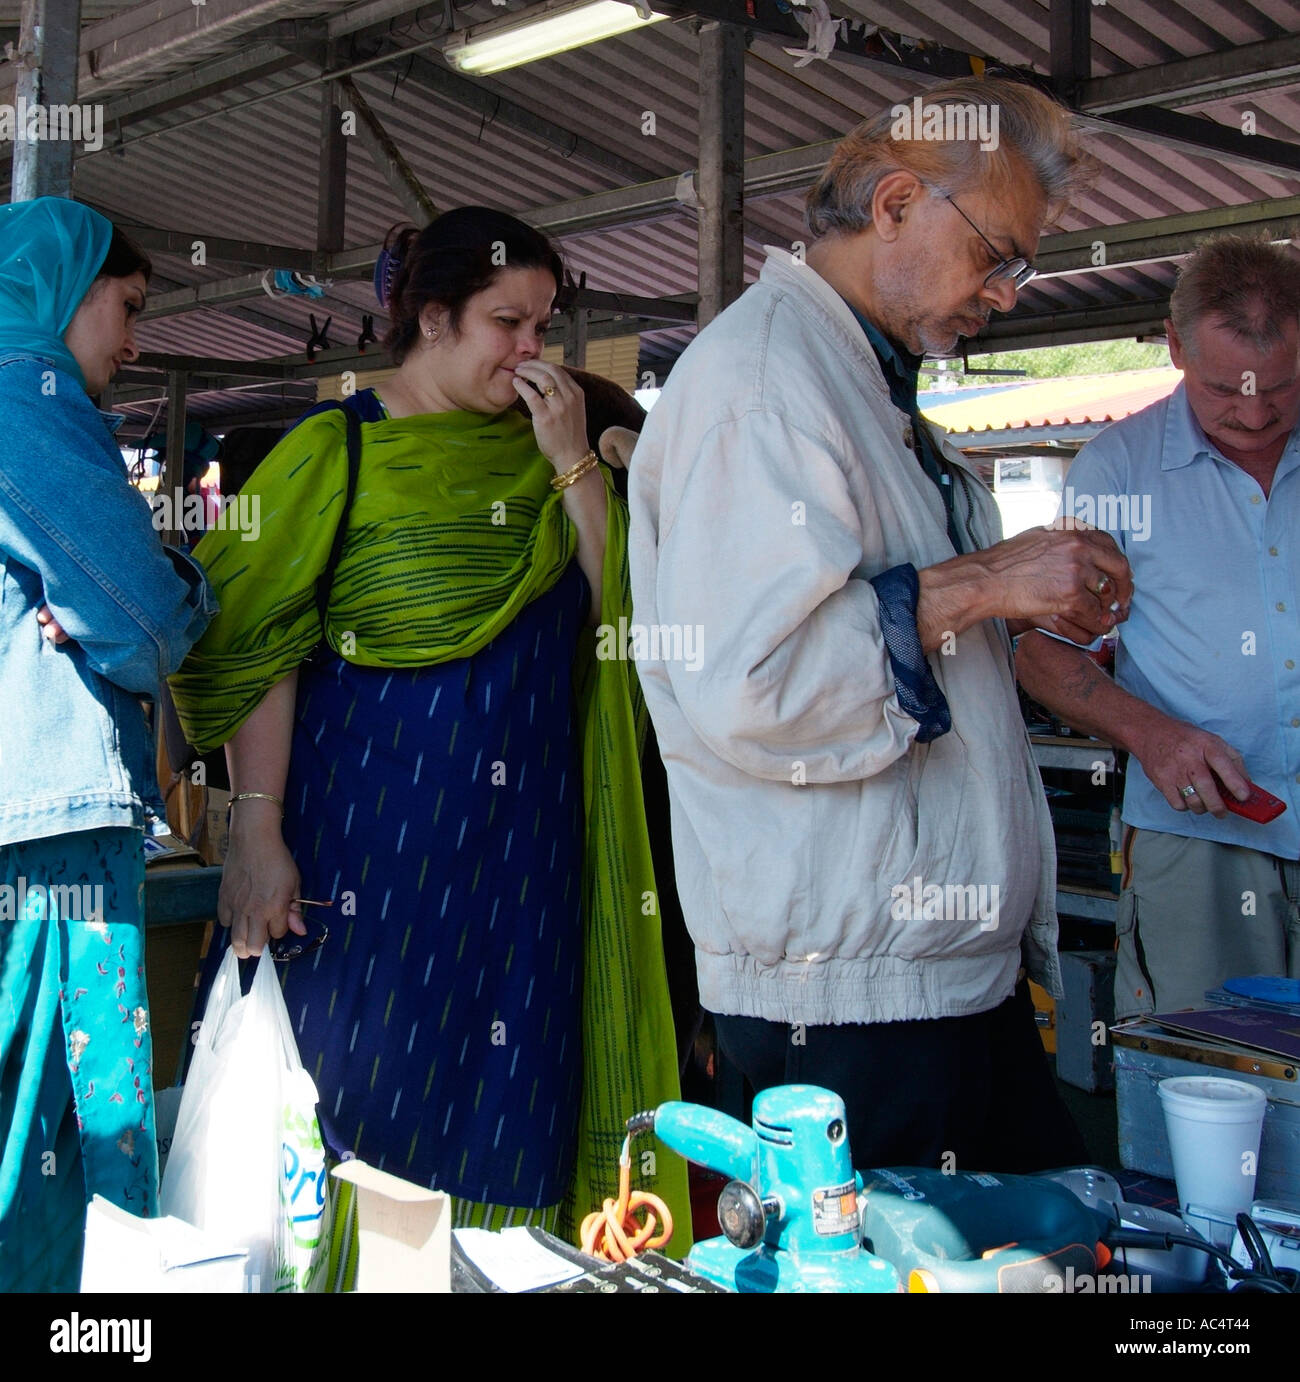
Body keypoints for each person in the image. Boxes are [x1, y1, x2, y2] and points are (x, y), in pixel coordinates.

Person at [627, 77, 1133, 1172]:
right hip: (849, 989)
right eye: (998, 254)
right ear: (897, 204)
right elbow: (752, 684)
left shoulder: (867, 382)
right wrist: (984, 581)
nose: (1005, 293)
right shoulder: (762, 384)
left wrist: (1014, 599)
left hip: (932, 969)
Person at [169, 208, 688, 1256]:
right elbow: (246, 642)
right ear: (434, 318)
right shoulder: (337, 451)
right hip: (366, 865)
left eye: (544, 326)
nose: (532, 350)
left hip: (530, 869)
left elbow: (617, 619)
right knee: (359, 1120)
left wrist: (573, 466)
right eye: (509, 322)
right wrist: (256, 828)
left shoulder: (553, 453)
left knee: (511, 1116)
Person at [0, 197, 215, 1291]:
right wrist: (177, 582)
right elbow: (138, 618)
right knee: (72, 1141)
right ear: (60, 286)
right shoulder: (21, 388)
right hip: (43, 837)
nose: (135, 344)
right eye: (126, 306)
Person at [1016, 234, 1300, 1017]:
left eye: (1279, 387)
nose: (1251, 412)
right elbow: (1044, 651)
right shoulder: (1117, 470)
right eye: (1221, 388)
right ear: (1173, 346)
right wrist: (1150, 734)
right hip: (1197, 837)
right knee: (1214, 1071)